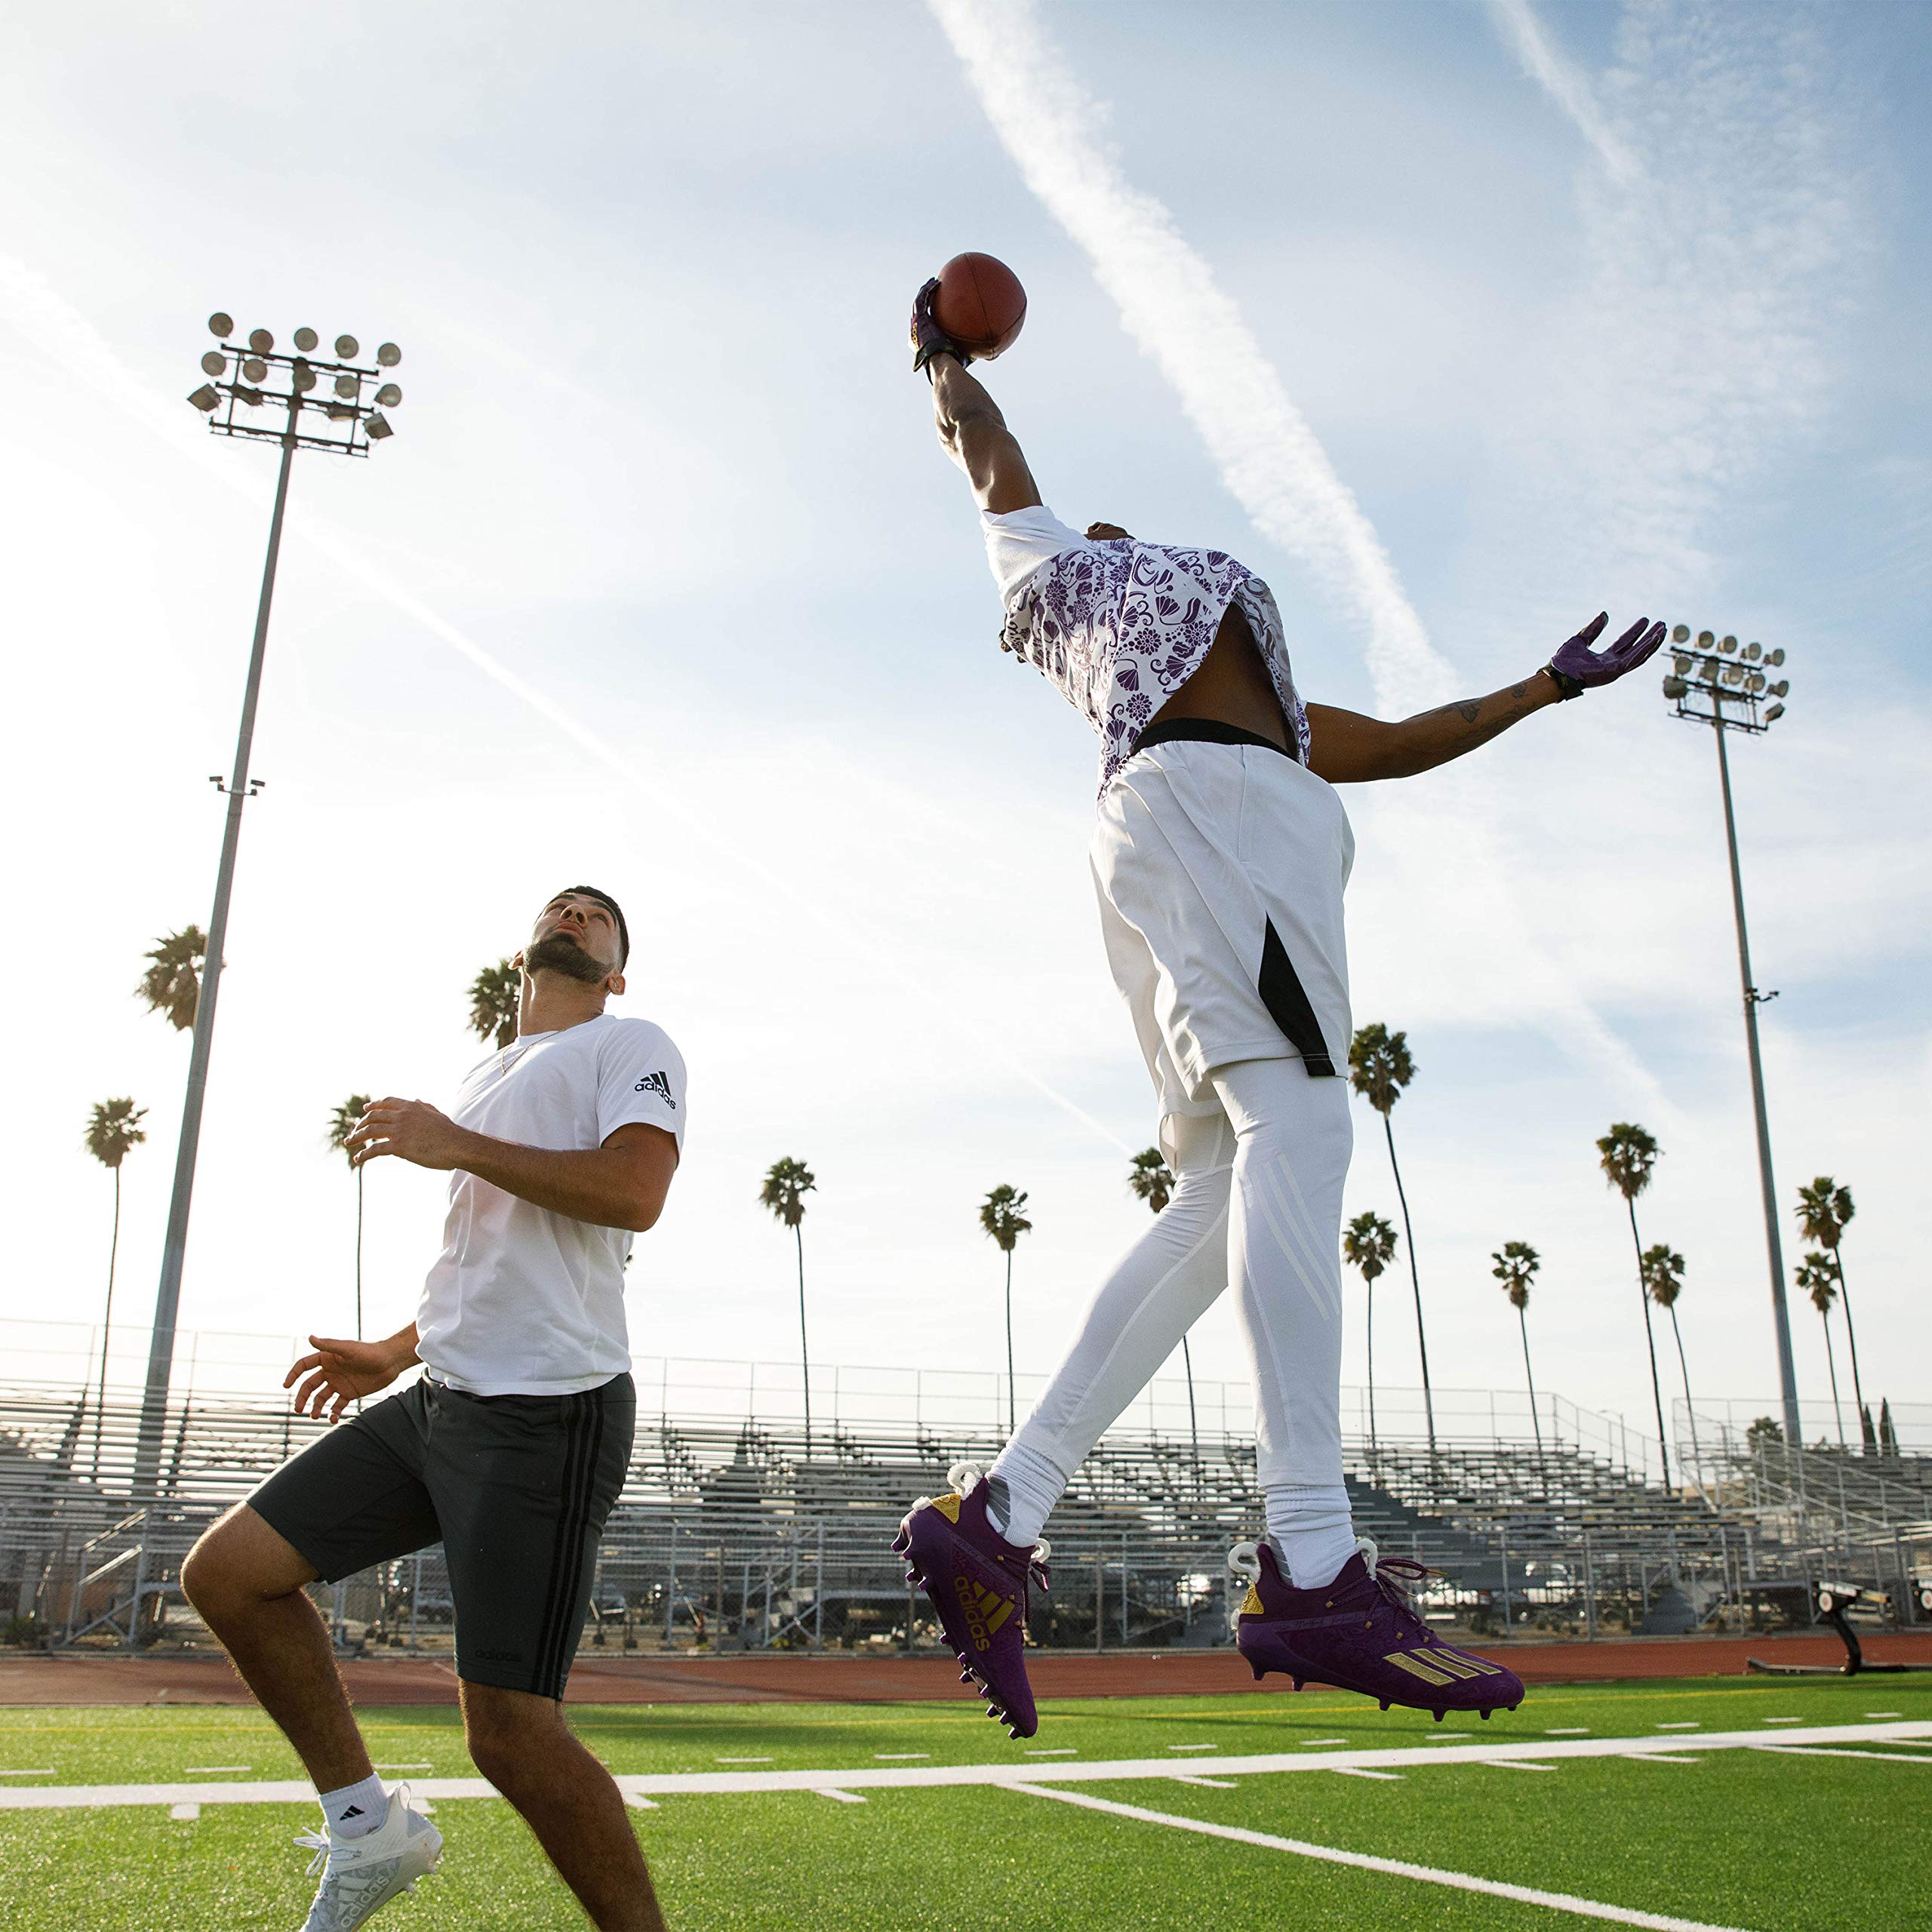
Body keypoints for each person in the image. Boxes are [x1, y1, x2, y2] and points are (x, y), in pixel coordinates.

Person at [893, 279, 1663, 1739]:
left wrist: (1542, 689)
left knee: (1222, 1183)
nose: (1109, 522)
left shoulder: (1269, 692)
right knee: (1304, 1126)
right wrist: (940, 353)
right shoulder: (1052, 570)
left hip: (1207, 825)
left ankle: (1004, 1508)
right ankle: (1310, 1551)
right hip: (1212, 813)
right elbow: (982, 438)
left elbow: (1393, 741)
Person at [181, 888, 685, 1932]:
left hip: (548, 1413)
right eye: (563, 909)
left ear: (619, 971)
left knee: (508, 1734)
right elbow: (490, 1262)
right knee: (228, 1575)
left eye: (599, 919)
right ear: (524, 950)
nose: (578, 917)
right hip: (439, 1398)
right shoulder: (487, 1073)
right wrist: (392, 1351)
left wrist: (455, 1142)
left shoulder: (630, 1042)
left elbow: (636, 1194)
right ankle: (369, 1830)